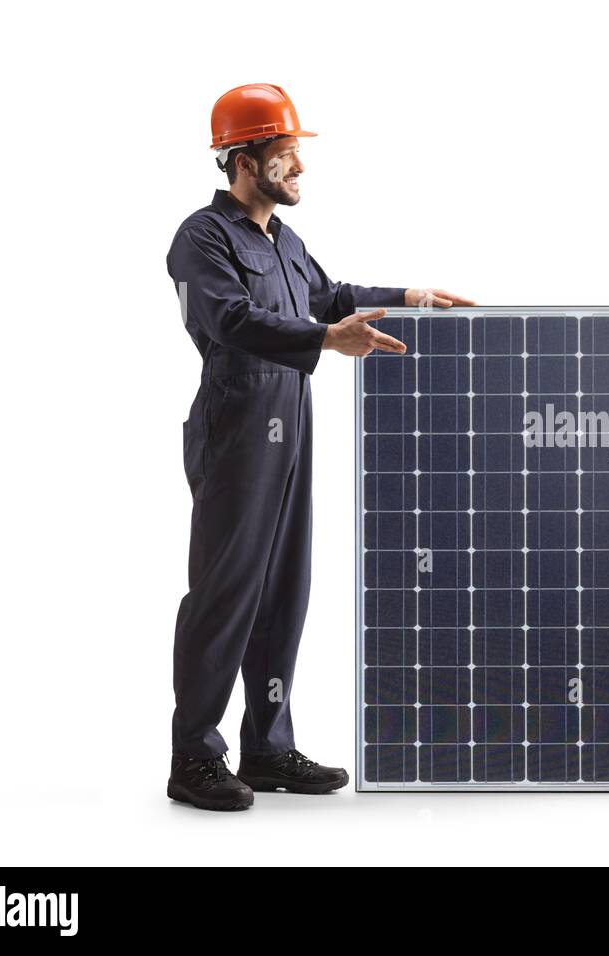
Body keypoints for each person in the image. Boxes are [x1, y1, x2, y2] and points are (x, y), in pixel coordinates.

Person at [165, 83, 474, 810]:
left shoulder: (285, 241)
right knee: (226, 591)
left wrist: (410, 295)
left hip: (290, 420)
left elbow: (329, 298)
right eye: (284, 151)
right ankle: (193, 758)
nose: (298, 164)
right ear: (241, 159)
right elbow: (231, 319)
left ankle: (268, 749)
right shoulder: (201, 238)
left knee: (284, 589)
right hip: (236, 421)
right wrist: (325, 341)